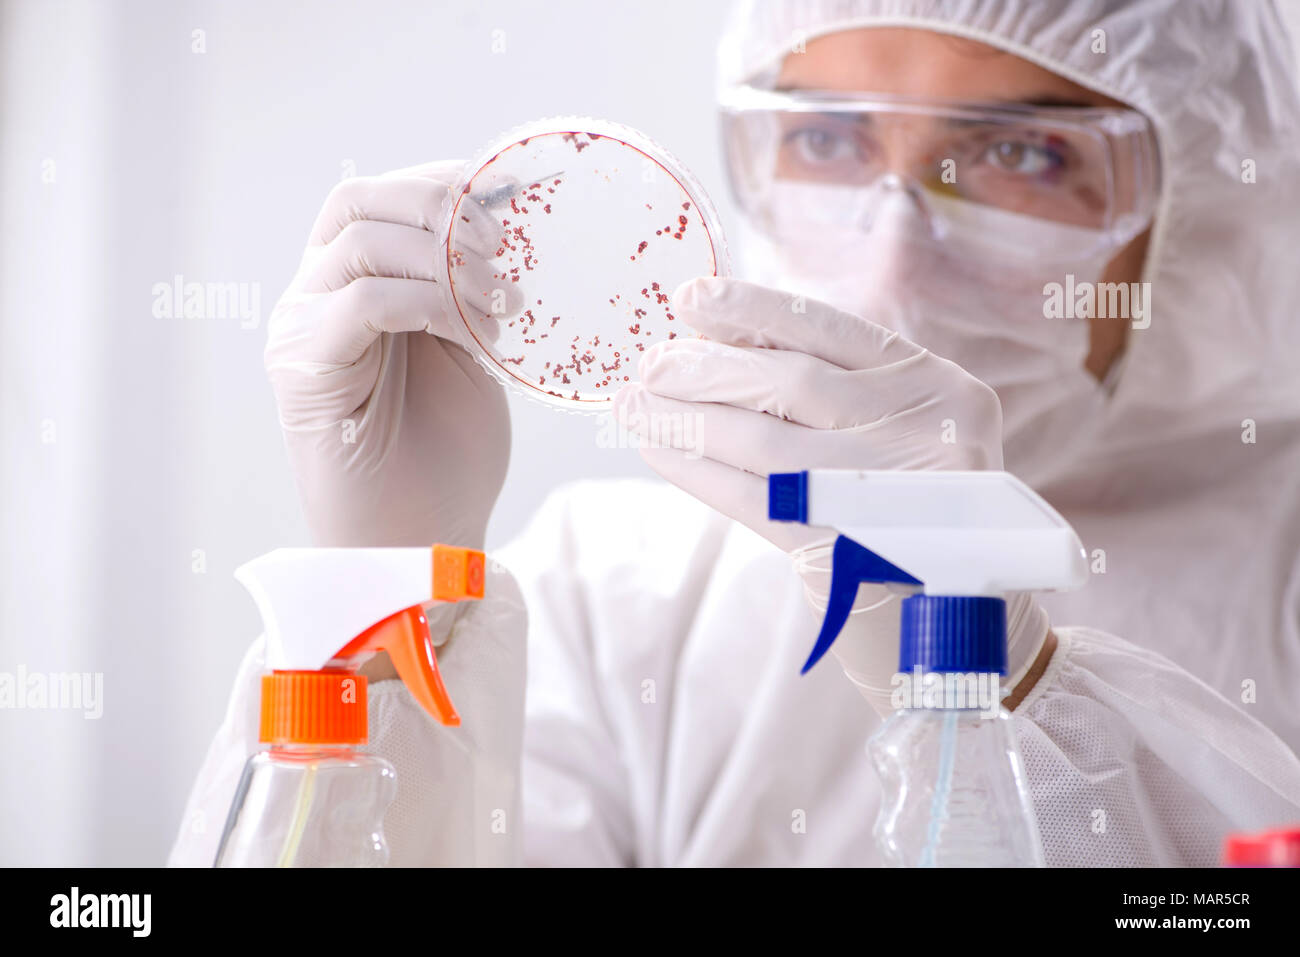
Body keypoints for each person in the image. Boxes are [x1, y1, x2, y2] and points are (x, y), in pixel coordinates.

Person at [169, 0, 1300, 867]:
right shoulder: (617, 600)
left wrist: (996, 693)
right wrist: (384, 609)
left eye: (1020, 155)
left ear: (1206, 204)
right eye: (823, 140)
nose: (890, 252)